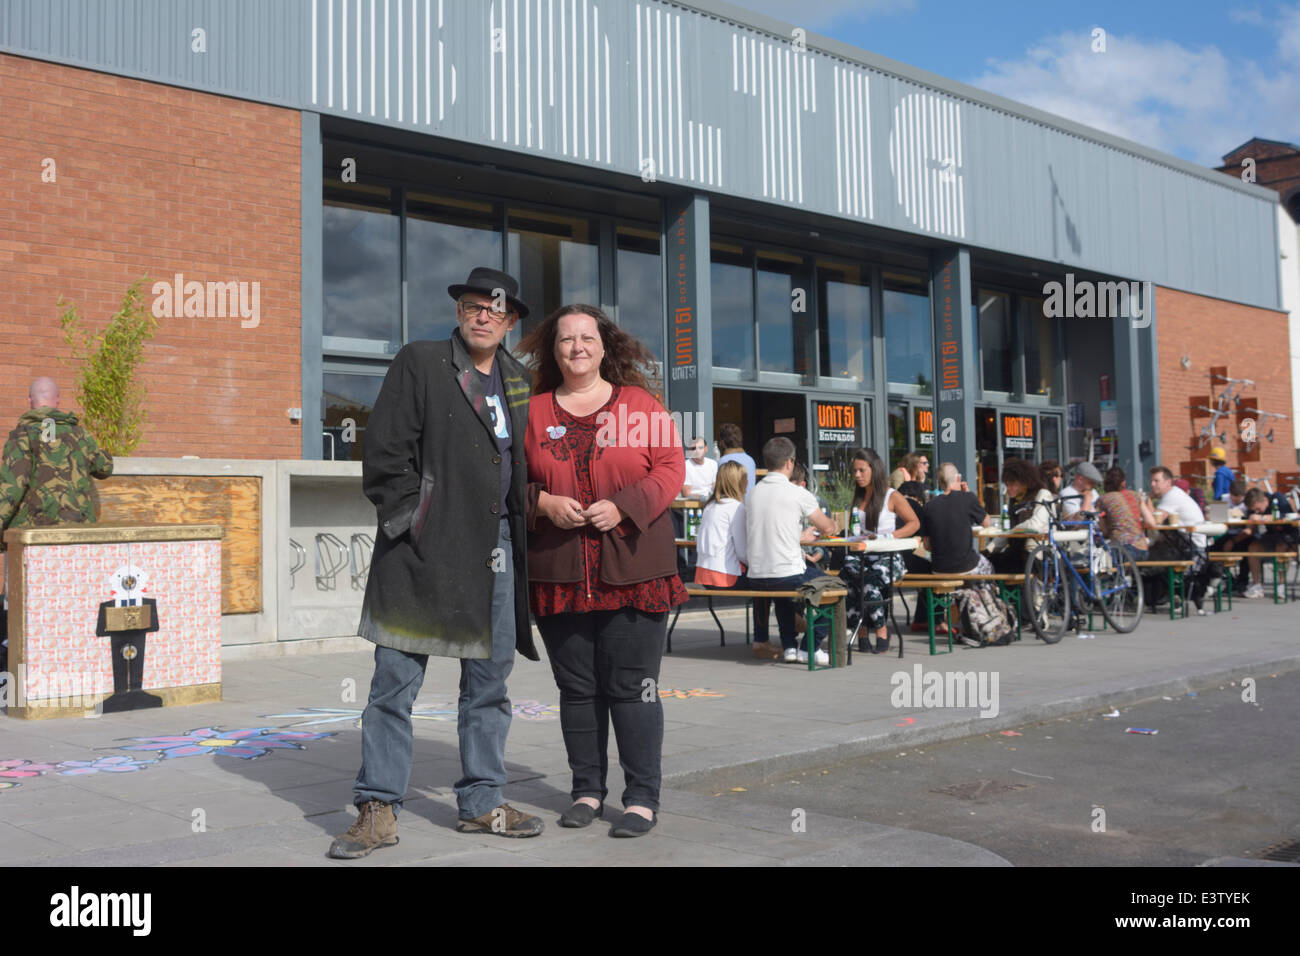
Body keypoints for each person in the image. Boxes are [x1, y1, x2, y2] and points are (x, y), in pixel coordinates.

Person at [328, 266, 543, 860]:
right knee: (394, 684)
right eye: (473, 306)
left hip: (495, 552)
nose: (483, 316)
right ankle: (378, 808)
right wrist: (410, 521)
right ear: (459, 313)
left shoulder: (518, 380)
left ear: (510, 321)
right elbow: (385, 451)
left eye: (495, 309)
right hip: (420, 552)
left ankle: (481, 803)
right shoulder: (421, 361)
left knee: (489, 685)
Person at [519, 303, 686, 838]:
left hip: (635, 570)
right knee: (577, 690)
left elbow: (671, 469)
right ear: (554, 350)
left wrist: (625, 505)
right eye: (566, 339)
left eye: (587, 338)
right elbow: (503, 482)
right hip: (560, 576)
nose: (577, 348)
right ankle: (586, 791)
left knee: (633, 687)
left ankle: (641, 798)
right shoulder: (533, 410)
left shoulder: (639, 405)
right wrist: (542, 504)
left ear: (603, 345)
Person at [0, 376, 115, 674]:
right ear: (58, 400)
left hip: (34, 540)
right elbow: (106, 466)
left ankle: (21, 673)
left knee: (22, 606)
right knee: (74, 602)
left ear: (30, 401)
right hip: (76, 537)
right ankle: (75, 666)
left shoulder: (23, 436)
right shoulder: (79, 434)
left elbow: (11, 489)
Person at [745, 437, 840, 664]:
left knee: (784, 595)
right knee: (835, 587)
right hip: (787, 574)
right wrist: (835, 524)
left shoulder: (752, 494)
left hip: (756, 577)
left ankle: (789, 646)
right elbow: (826, 527)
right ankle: (810, 647)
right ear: (790, 462)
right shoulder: (798, 493)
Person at [844, 448, 920, 655]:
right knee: (847, 578)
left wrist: (890, 537)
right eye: (855, 471)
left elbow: (914, 523)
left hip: (889, 557)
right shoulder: (859, 498)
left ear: (874, 469)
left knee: (869, 582)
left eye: (862, 470)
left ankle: (881, 629)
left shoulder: (891, 496)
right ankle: (860, 631)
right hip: (862, 554)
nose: (857, 475)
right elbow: (854, 530)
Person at [1142, 465, 1208, 611]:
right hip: (1185, 543)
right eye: (1152, 481)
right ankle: (1156, 596)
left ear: (1168, 482)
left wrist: (1144, 502)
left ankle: (1153, 597)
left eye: (1156, 481)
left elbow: (1152, 522)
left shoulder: (1172, 496)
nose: (1152, 484)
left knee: (1145, 556)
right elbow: (1155, 521)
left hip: (1191, 548)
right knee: (1151, 551)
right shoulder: (1172, 495)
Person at [987, 457, 1055, 574]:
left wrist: (1013, 531)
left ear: (1025, 482)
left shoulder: (1042, 495)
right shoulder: (1015, 500)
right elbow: (1007, 532)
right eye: (1006, 485)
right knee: (988, 562)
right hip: (1017, 552)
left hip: (1037, 554)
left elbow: (1035, 525)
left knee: (996, 565)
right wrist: (989, 549)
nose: (1008, 489)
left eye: (1012, 484)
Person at [922, 463, 993, 576]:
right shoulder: (968, 498)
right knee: (989, 565)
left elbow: (927, 546)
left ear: (940, 483)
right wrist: (969, 495)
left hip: (938, 569)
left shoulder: (928, 507)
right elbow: (987, 523)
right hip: (967, 566)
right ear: (958, 478)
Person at [694, 461, 749, 592]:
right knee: (765, 581)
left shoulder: (710, 505)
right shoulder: (736, 508)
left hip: (703, 574)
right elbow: (742, 552)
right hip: (724, 577)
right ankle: (762, 614)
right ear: (740, 482)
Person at [1241, 487, 1300, 598]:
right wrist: (1250, 522)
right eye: (1254, 510)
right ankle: (1257, 585)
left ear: (1264, 500)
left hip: (1288, 535)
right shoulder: (1254, 507)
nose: (1257, 512)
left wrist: (1265, 517)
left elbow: (1290, 515)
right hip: (1271, 536)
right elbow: (1249, 521)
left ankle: (1281, 585)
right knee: (1253, 547)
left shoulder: (1277, 498)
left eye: (1258, 509)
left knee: (1281, 547)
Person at [1097, 466, 1154, 561]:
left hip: (1124, 550)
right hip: (1143, 549)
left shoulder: (1103, 499)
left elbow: (1104, 531)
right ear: (1123, 482)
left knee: (1096, 560)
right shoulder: (1136, 495)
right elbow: (1151, 522)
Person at [717, 423, 757, 496]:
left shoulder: (723, 461)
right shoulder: (750, 460)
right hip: (749, 505)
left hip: (732, 505)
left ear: (722, 443)